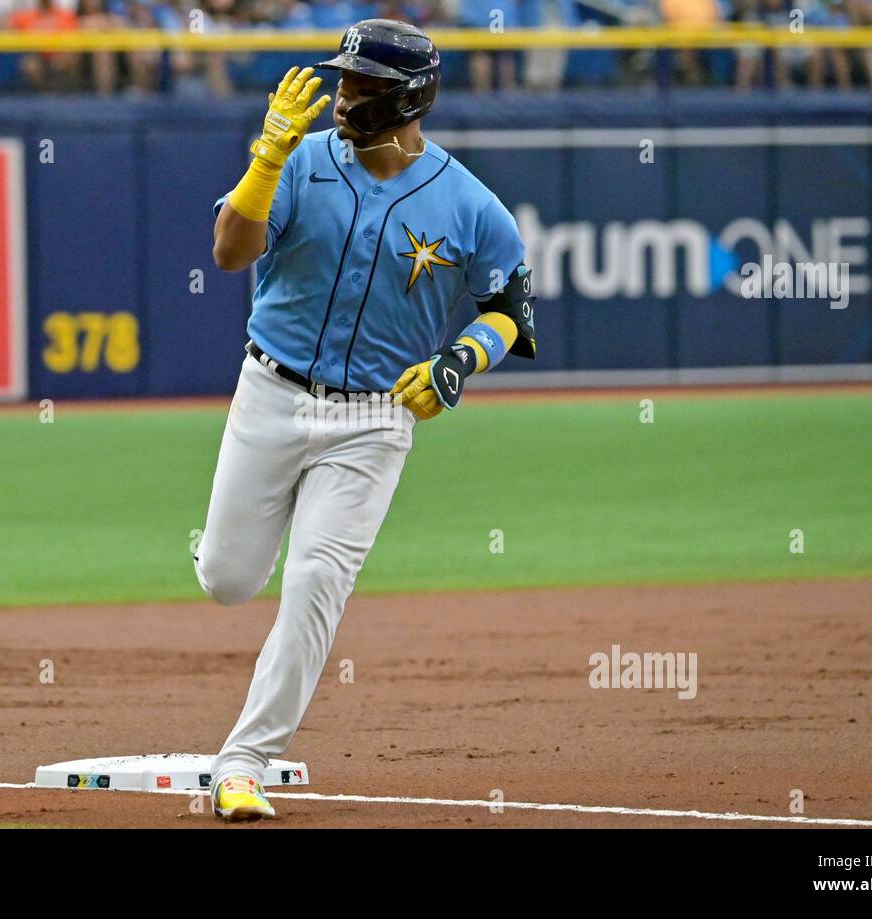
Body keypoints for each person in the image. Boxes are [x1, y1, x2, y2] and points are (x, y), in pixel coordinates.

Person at [201, 19, 536, 821]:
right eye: (343, 82)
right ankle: (243, 729)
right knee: (227, 577)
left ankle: (243, 763)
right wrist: (266, 157)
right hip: (271, 395)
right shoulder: (300, 160)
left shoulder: (469, 203)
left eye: (363, 87)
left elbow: (510, 311)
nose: (344, 97)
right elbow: (228, 251)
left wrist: (459, 363)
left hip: (375, 421)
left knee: (317, 581)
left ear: (411, 98)